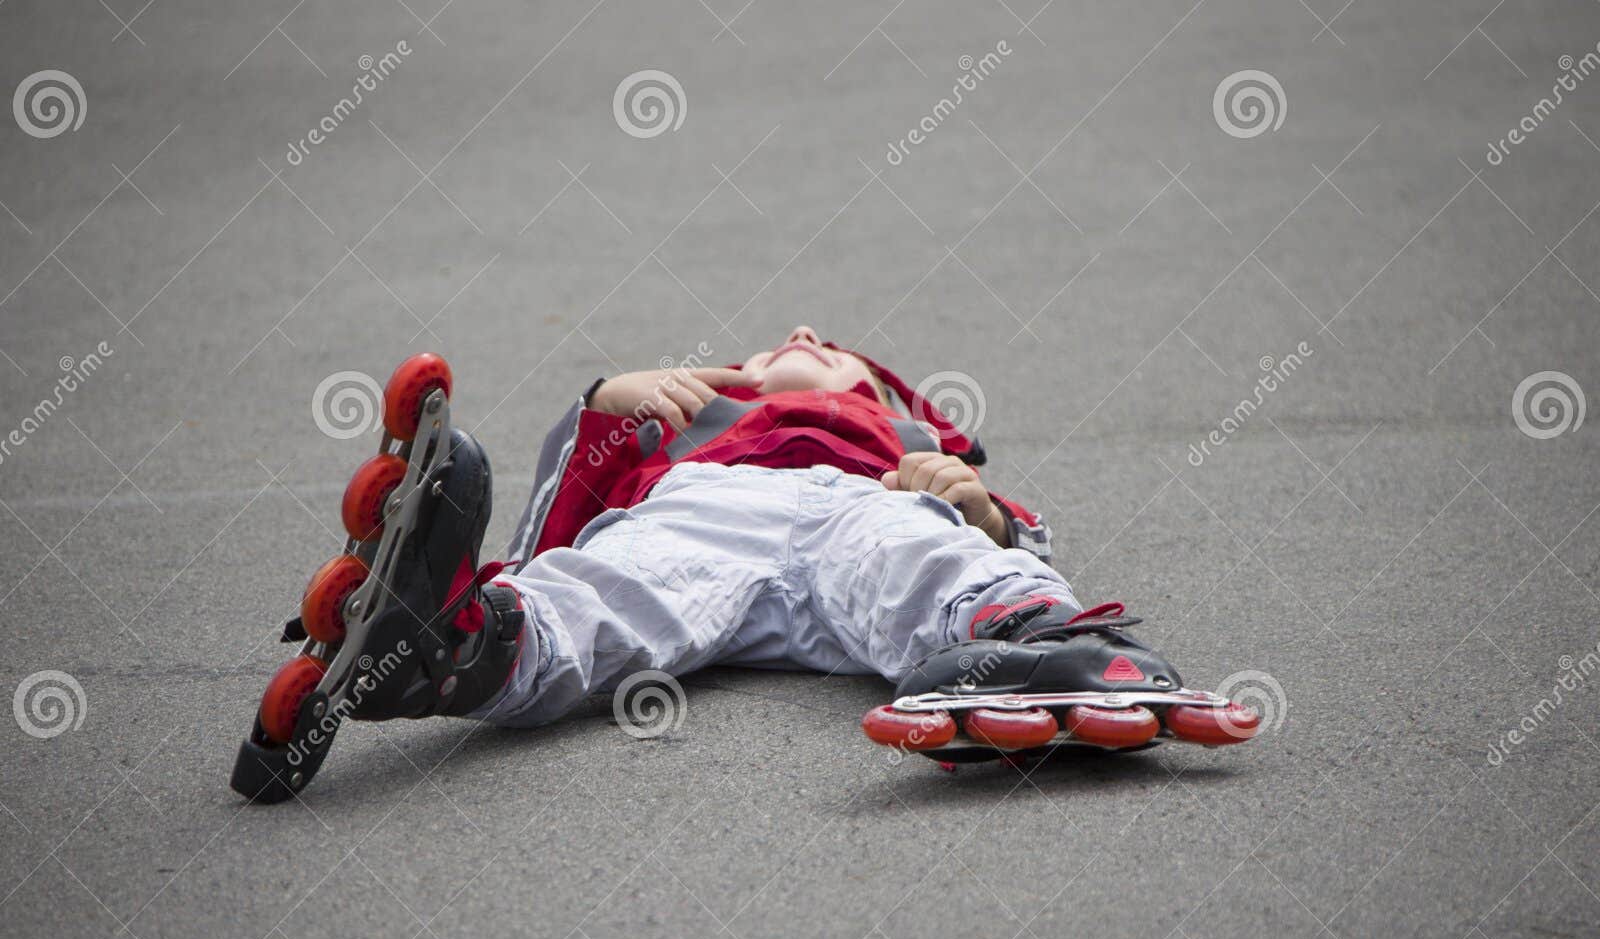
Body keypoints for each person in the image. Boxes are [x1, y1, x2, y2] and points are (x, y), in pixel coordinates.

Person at [232, 327, 1257, 802]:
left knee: (920, 554)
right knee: (610, 587)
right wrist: (606, 402)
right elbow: (554, 530)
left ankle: (1042, 646)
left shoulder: (905, 445)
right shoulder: (683, 429)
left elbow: (1006, 535)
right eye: (771, 348)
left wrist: (976, 504)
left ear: (881, 397)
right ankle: (459, 647)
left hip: (862, 507)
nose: (801, 335)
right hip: (701, 515)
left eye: (833, 348)